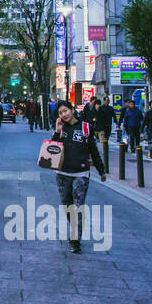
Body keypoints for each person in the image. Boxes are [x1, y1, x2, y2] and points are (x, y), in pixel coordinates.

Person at [49, 100, 106, 253]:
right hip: (62, 173)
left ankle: (75, 239)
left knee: (78, 206)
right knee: (67, 206)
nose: (64, 114)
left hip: (81, 173)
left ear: (72, 110)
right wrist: (56, 131)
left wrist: (101, 170)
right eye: (60, 112)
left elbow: (93, 150)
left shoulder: (85, 127)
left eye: (65, 111)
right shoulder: (60, 129)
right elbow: (52, 149)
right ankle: (74, 228)